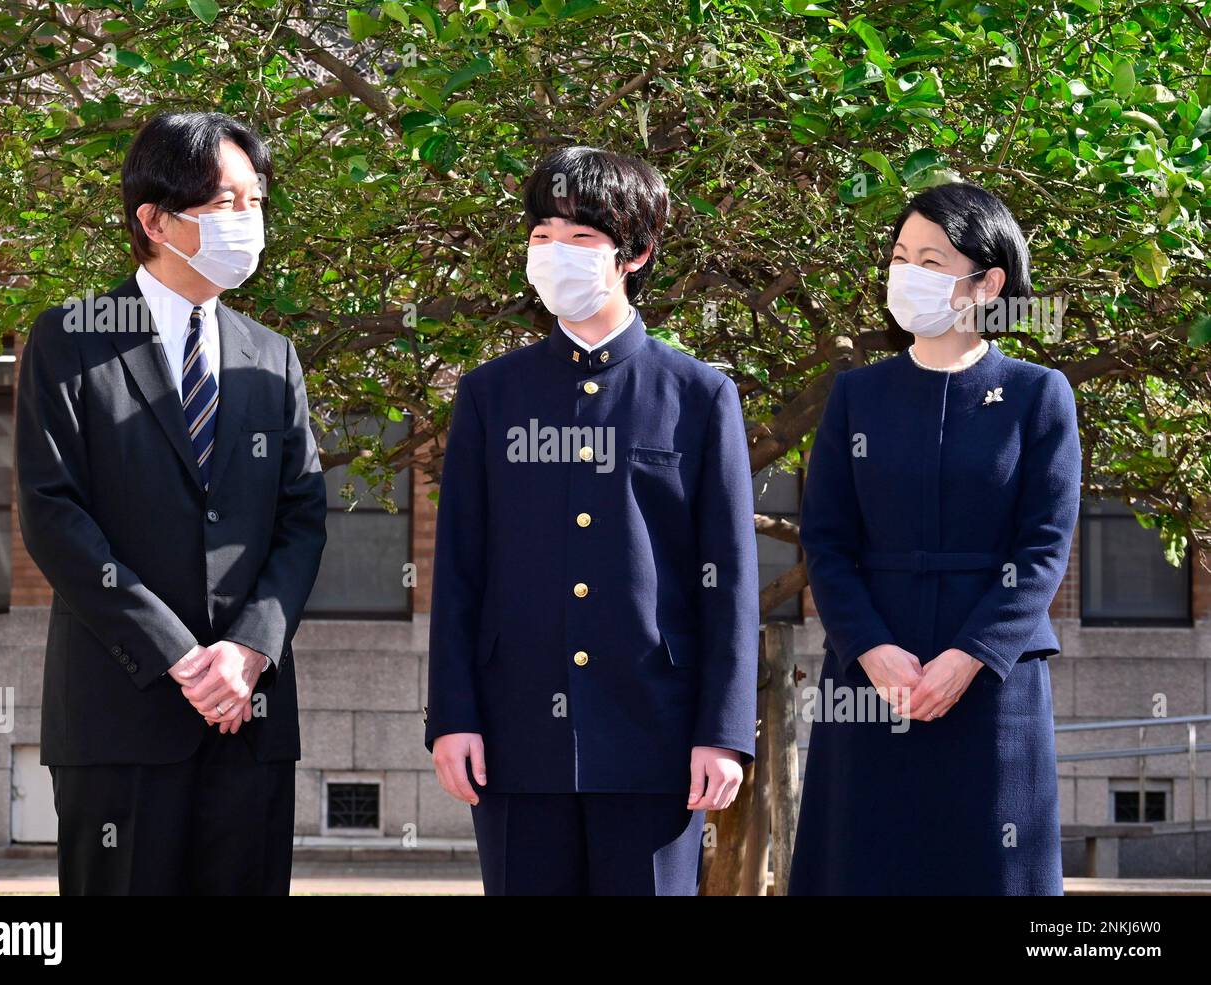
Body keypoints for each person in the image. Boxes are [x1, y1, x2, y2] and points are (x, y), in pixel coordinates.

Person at [424, 145, 760, 896]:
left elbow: (730, 581)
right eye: (541, 234)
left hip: (656, 737)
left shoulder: (699, 395)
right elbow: (458, 571)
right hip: (514, 738)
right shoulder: (490, 396)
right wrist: (452, 716)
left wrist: (724, 732)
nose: (553, 254)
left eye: (579, 238)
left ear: (635, 252)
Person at [15, 111, 328, 895]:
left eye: (255, 200)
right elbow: (54, 514)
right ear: (154, 219)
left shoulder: (271, 356)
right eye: (224, 204)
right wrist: (182, 659)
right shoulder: (70, 339)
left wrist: (249, 651)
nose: (248, 222)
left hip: (249, 723)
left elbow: (303, 515)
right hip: (121, 716)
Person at [789, 182, 1080, 895]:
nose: (907, 273)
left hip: (993, 685)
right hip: (873, 679)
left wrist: (972, 654)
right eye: (899, 256)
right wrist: (870, 647)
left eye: (932, 259)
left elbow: (1044, 547)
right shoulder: (855, 394)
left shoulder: (1038, 394)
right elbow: (825, 539)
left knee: (991, 866)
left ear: (990, 282)